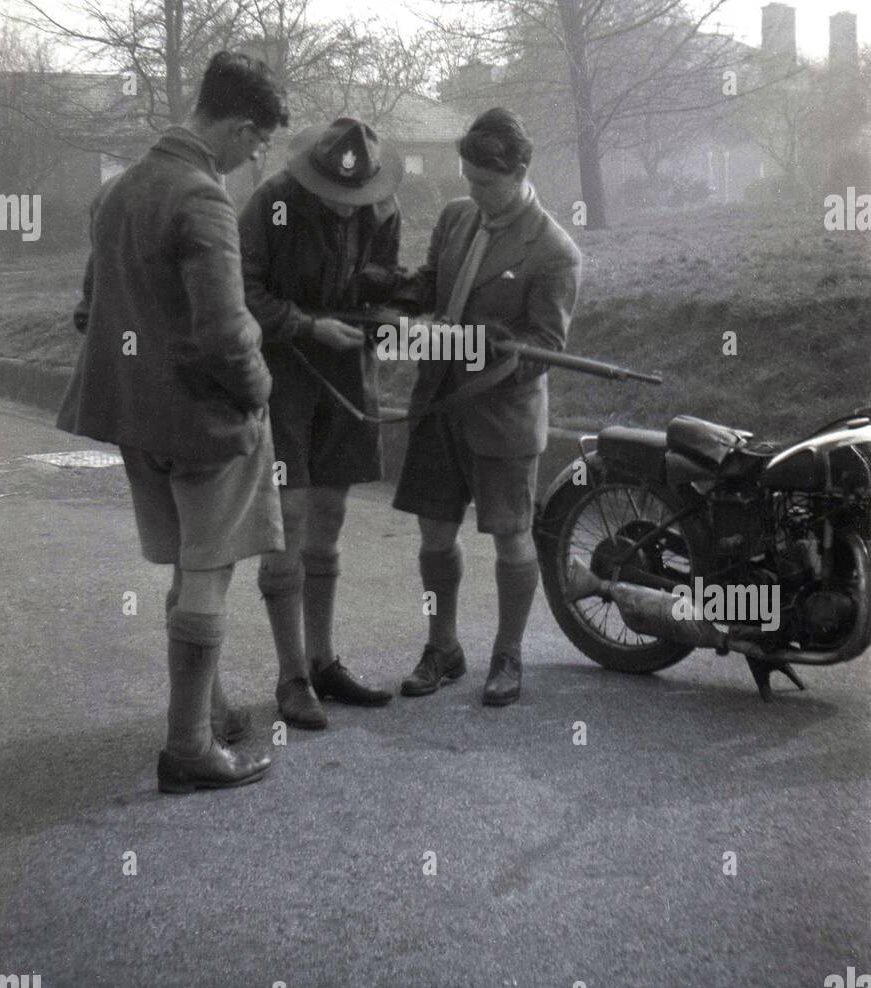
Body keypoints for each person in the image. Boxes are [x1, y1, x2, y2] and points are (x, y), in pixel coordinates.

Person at [56, 51, 289, 793]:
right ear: (240, 126)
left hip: (136, 418)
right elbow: (225, 332)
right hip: (204, 421)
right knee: (209, 567)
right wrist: (258, 385)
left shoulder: (121, 190)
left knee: (190, 564)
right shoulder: (203, 197)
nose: (253, 160)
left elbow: (90, 310)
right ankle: (188, 746)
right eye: (255, 145)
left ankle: (211, 711)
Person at [364, 108, 581, 706]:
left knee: (512, 538)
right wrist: (381, 287)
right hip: (438, 405)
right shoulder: (460, 217)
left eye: (487, 184)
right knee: (435, 535)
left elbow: (546, 351)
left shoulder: (554, 251)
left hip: (500, 418)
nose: (475, 194)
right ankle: (443, 648)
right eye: (469, 181)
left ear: (519, 171)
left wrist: (481, 346)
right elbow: (433, 285)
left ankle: (508, 657)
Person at [239, 116, 404, 729]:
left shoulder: (381, 210)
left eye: (354, 199)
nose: (345, 210)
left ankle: (323, 659)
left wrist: (390, 317)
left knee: (329, 515)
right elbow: (241, 288)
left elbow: (386, 283)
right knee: (291, 513)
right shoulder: (271, 203)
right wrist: (305, 326)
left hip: (347, 369)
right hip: (283, 372)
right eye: (334, 200)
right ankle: (292, 677)